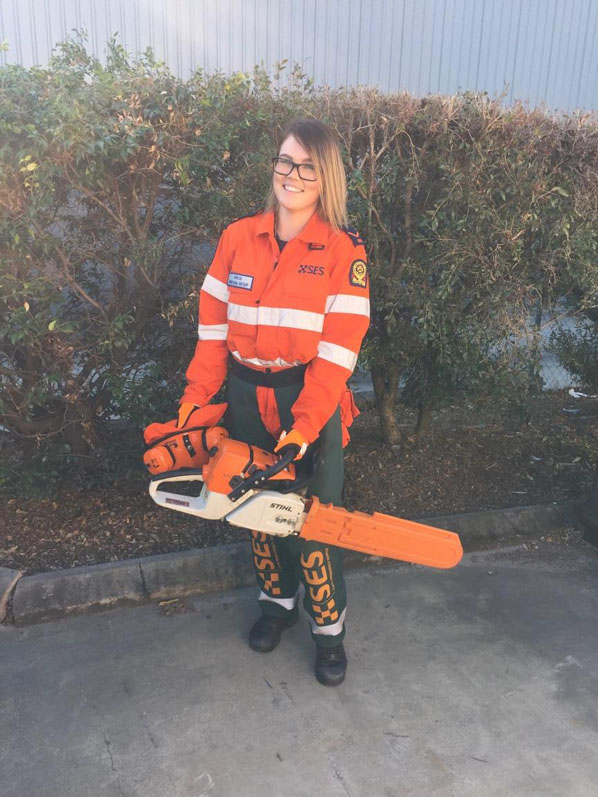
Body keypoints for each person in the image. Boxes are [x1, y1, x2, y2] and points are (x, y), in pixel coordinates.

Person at [178, 118, 370, 686]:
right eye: (285, 162)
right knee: (257, 513)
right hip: (243, 394)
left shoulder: (343, 251)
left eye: (307, 166)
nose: (293, 175)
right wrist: (193, 404)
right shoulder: (238, 236)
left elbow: (337, 355)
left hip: (307, 400)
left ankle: (329, 635)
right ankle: (276, 607)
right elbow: (212, 334)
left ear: (325, 176)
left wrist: (303, 428)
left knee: (315, 523)